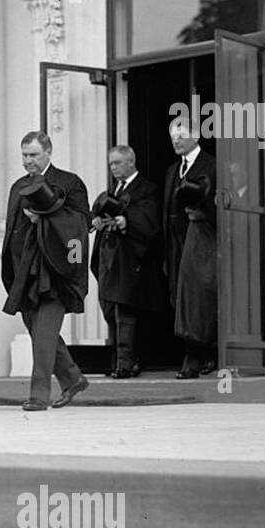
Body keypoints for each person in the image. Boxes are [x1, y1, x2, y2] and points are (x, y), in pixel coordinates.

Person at [0, 130, 90, 411]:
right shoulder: (17, 187)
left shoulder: (69, 183)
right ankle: (73, 379)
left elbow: (82, 226)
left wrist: (47, 216)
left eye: (34, 155)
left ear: (49, 152)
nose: (28, 161)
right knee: (39, 332)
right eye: (24, 155)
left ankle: (39, 395)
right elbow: (12, 231)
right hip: (24, 272)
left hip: (56, 271)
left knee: (44, 334)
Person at [89, 145, 164, 378]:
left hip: (130, 260)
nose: (113, 168)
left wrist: (125, 220)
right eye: (111, 163)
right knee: (110, 310)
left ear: (131, 161)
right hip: (108, 259)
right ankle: (119, 362)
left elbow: (150, 217)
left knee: (125, 312)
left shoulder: (147, 188)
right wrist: (98, 221)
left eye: (117, 163)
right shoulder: (113, 190)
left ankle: (126, 363)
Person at [163, 120, 217, 378]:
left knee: (201, 299)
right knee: (181, 299)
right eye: (173, 136)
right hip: (177, 245)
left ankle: (201, 355)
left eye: (182, 135)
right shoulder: (172, 170)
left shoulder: (212, 165)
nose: (176, 140)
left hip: (203, 242)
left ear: (196, 137)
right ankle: (196, 355)